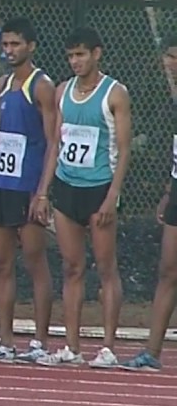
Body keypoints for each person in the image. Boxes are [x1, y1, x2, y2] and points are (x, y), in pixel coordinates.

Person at [38, 27, 131, 367]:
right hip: (67, 186)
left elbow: (123, 149)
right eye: (70, 56)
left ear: (96, 53)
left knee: (106, 267)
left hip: (99, 187)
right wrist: (43, 192)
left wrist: (112, 196)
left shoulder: (114, 94)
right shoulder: (62, 91)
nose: (75, 61)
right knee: (72, 266)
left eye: (81, 54)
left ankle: (107, 347)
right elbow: (56, 145)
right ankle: (72, 346)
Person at [0, 18, 56, 363]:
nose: (9, 50)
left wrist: (43, 192)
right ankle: (5, 340)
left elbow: (54, 141)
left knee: (35, 261)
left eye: (15, 44)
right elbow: (0, 139)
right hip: (1, 184)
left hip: (28, 185)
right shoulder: (2, 84)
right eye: (5, 44)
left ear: (31, 46)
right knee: (2, 263)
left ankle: (39, 342)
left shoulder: (41, 85)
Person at [122, 35, 177, 372]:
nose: (169, 63)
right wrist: (170, 190)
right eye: (167, 56)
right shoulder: (171, 100)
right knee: (168, 270)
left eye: (174, 56)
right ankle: (151, 352)